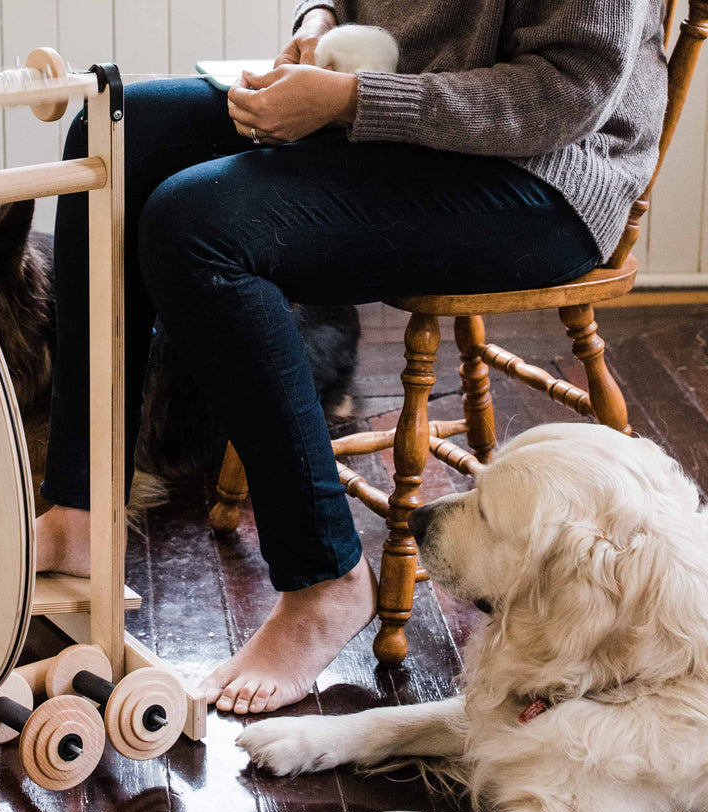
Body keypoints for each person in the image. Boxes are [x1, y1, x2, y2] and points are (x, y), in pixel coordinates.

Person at [35, 0, 668, 715]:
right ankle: (82, 511)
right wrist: (319, 29)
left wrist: (352, 99)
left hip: (546, 174)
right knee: (113, 133)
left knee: (193, 227)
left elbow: (568, 91)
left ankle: (324, 578)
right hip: (400, 121)